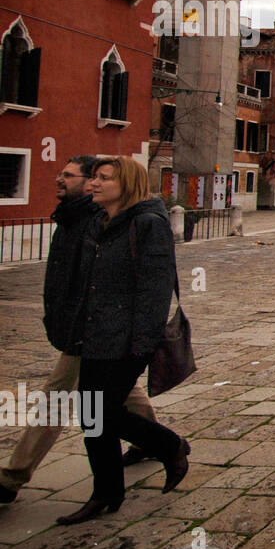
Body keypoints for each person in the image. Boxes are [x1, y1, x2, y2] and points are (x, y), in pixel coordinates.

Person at [1, 158, 160, 506]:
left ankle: (12, 476)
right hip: (81, 325)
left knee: (58, 396)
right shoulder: (74, 216)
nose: (59, 179)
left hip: (90, 327)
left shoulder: (100, 219)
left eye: (68, 175)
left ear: (89, 183)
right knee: (118, 391)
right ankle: (152, 440)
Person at [56, 156, 191, 525]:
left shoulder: (148, 224)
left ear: (126, 185)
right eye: (94, 178)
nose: (94, 184)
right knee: (93, 417)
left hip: (128, 340)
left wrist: (142, 344)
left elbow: (156, 288)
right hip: (95, 335)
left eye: (104, 179)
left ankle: (168, 446)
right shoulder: (101, 223)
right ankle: (108, 492)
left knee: (100, 414)